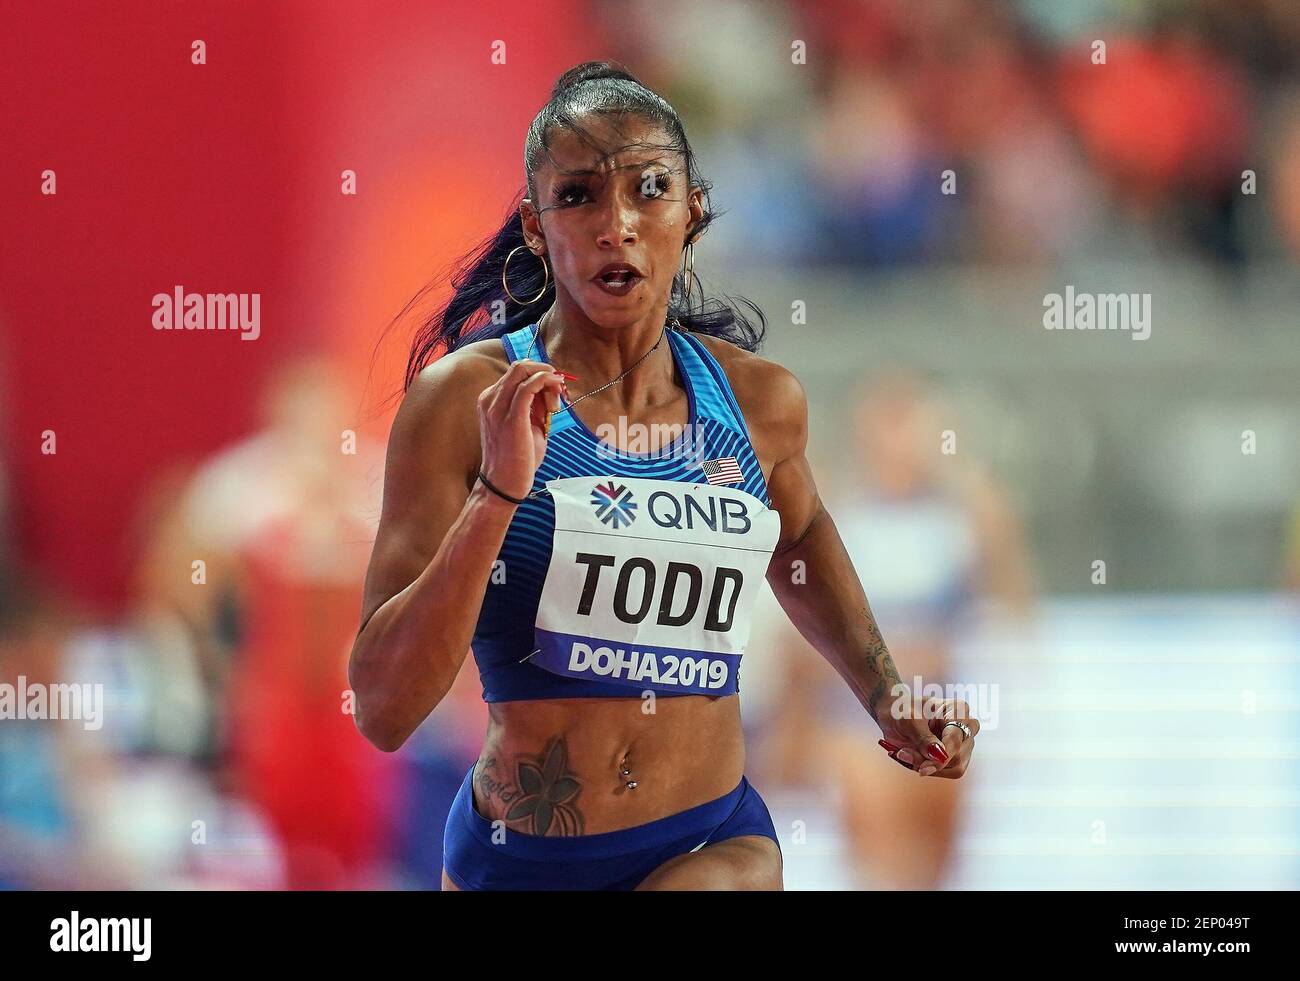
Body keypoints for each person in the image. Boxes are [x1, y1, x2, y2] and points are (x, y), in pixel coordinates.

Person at [349, 61, 979, 892]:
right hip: (519, 861)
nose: (616, 224)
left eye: (649, 188)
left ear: (693, 210)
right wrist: (498, 493)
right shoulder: (464, 402)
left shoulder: (758, 401)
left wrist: (886, 692)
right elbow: (385, 710)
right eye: (577, 196)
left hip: (709, 840)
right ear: (536, 228)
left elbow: (799, 537)